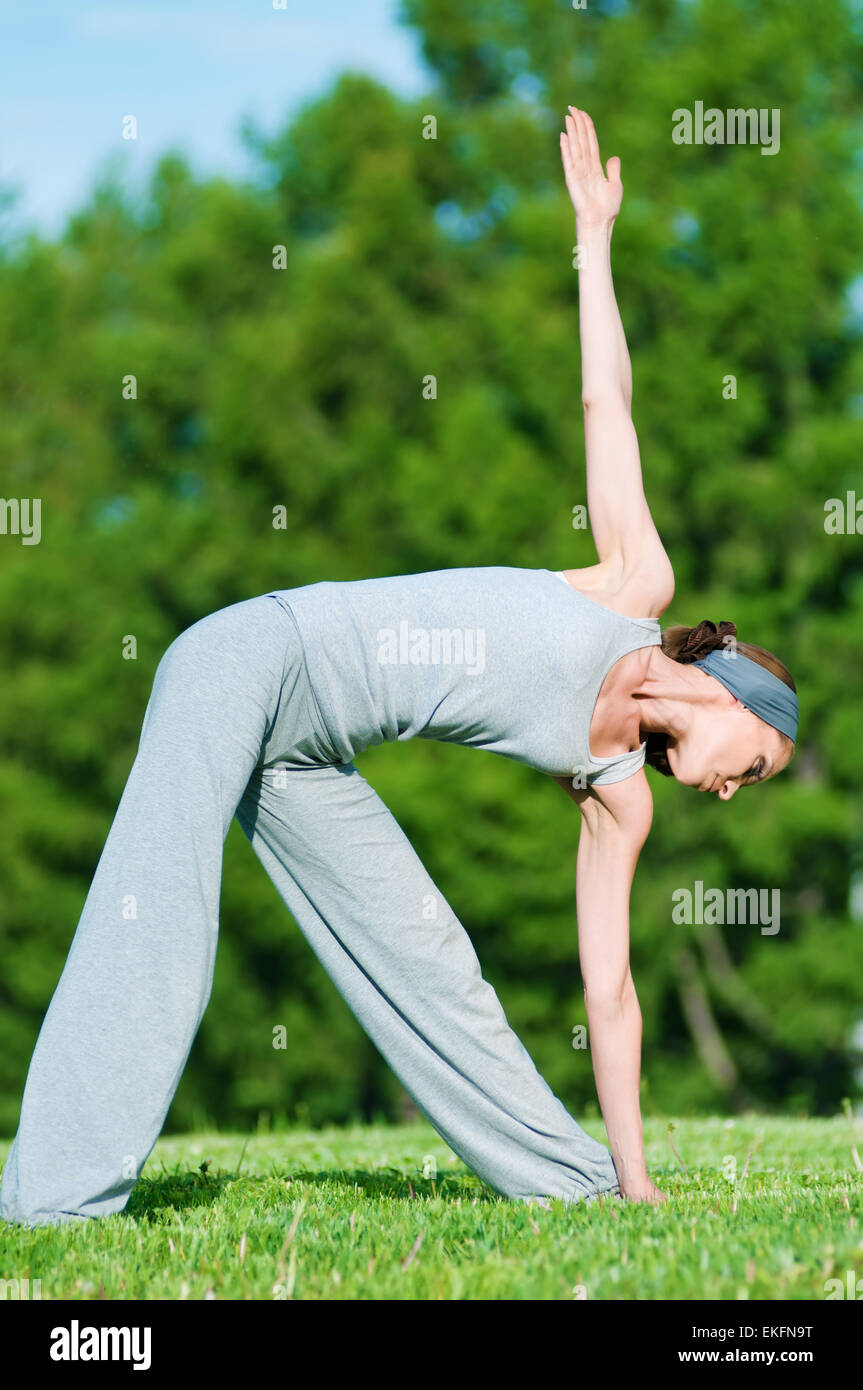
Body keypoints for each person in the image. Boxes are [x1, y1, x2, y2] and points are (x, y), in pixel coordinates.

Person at [0, 109, 797, 1228]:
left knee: (431, 960)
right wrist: (593, 242)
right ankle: (56, 1202)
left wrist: (634, 1175)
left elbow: (606, 993)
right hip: (249, 655)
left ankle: (568, 1185)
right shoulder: (634, 584)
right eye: (748, 763)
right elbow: (602, 400)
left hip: (309, 753)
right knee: (162, 906)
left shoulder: (618, 799)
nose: (728, 787)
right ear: (725, 691)